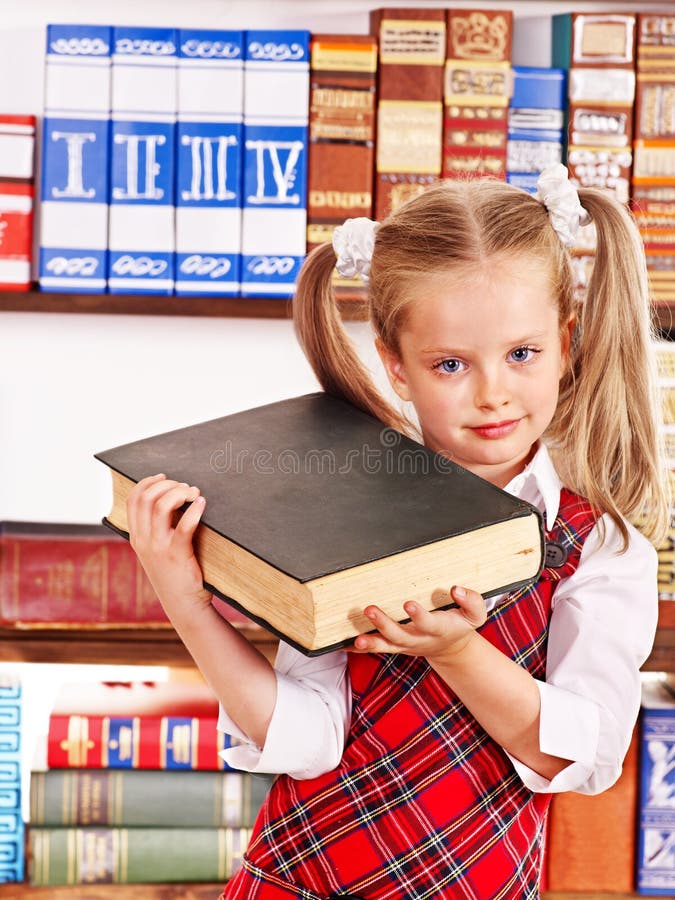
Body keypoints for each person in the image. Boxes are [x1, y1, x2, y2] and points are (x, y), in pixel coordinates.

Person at [126, 164, 669, 899]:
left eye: (521, 354)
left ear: (565, 341)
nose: (493, 393)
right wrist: (186, 601)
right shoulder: (343, 510)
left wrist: (457, 651)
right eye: (450, 364)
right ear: (397, 367)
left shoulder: (597, 547)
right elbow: (306, 738)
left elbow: (582, 756)